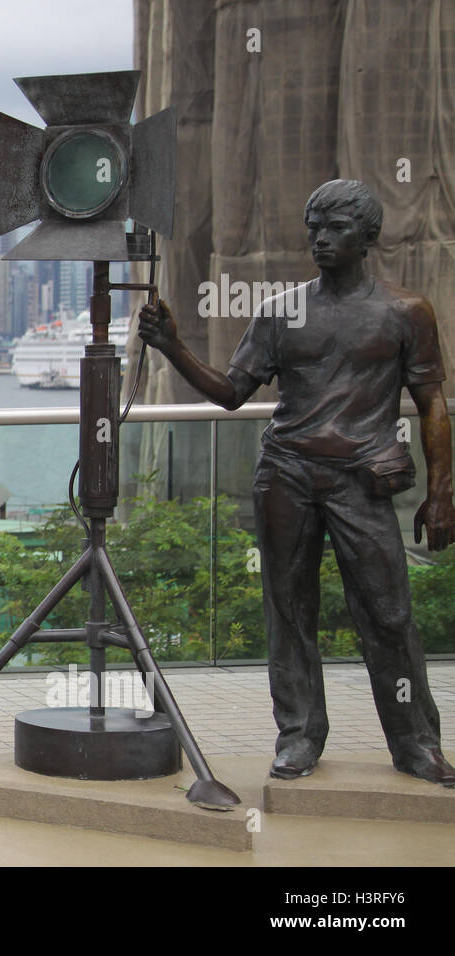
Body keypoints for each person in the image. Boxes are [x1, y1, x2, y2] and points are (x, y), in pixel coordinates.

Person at [137, 179, 455, 786]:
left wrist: (443, 493)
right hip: (286, 474)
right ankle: (300, 736)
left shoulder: (406, 311)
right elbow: (232, 393)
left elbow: (433, 405)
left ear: (368, 238)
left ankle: (416, 741)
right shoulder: (282, 311)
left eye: (334, 228)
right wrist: (173, 347)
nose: (320, 239)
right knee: (288, 609)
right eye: (314, 227)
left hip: (362, 481)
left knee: (389, 613)